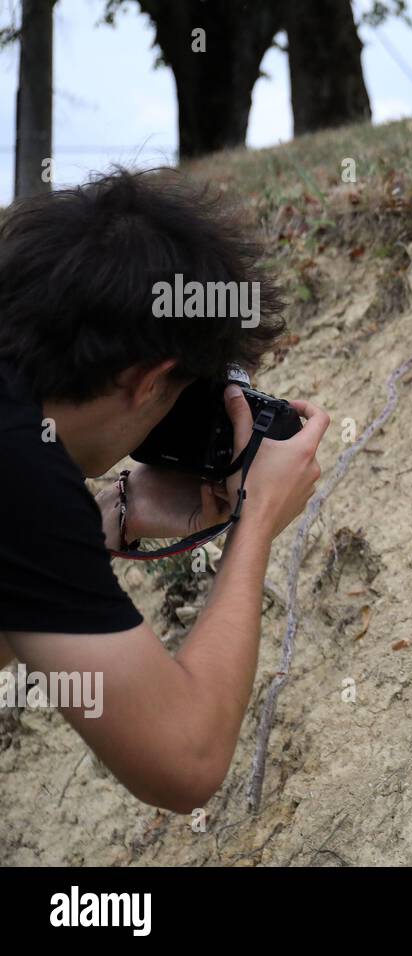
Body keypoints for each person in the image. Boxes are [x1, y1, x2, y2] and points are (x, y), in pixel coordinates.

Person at [0, 169, 328, 812]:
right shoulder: (24, 474)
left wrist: (109, 519)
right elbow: (187, 762)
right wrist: (256, 520)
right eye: (180, 397)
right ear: (148, 381)